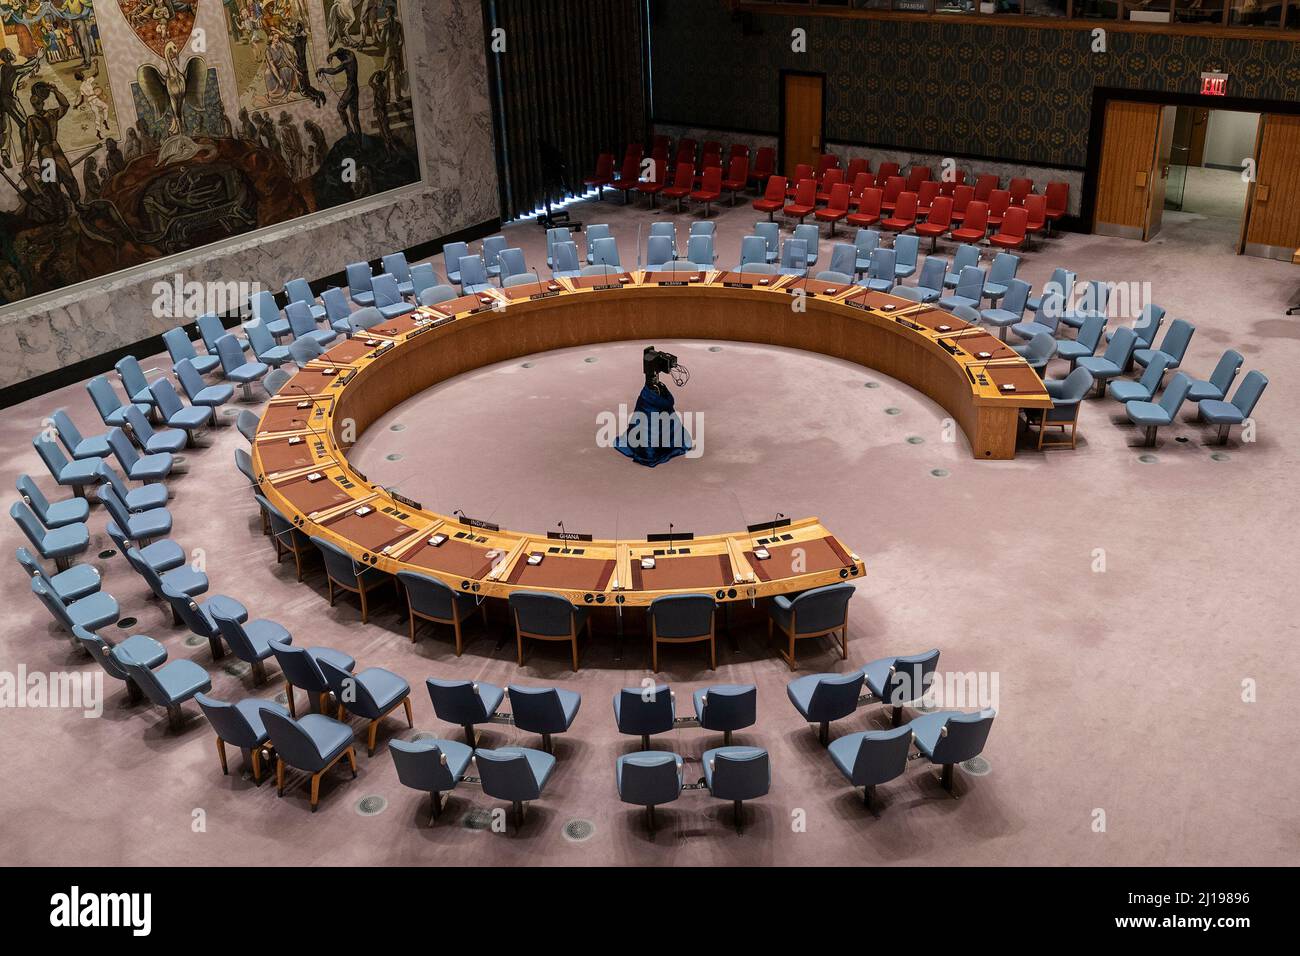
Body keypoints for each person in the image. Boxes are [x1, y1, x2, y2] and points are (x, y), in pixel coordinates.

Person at [23, 80, 80, 204]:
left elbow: (65, 105)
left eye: (38, 103)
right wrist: (26, 163)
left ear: (42, 103)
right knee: (50, 182)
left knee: (68, 176)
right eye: (34, 104)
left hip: (55, 148)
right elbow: (30, 143)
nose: (37, 106)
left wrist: (55, 91)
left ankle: (78, 203)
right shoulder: (31, 120)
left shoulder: (52, 114)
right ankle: (60, 211)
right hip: (44, 152)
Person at [0, 47, 42, 169]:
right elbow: (26, 67)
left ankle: (4, 152)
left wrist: (16, 86)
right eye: (12, 53)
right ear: (9, 57)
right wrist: (37, 58)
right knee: (24, 125)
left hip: (0, 101)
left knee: (5, 129)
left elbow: (4, 83)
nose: (14, 54)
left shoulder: (1, 68)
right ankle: (27, 151)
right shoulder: (13, 69)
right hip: (9, 100)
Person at [316, 48, 359, 140]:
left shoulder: (347, 62)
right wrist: (333, 54)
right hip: (355, 89)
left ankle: (349, 129)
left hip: (351, 89)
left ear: (343, 57)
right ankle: (359, 143)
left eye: (340, 59)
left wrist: (322, 69)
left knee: (340, 108)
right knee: (355, 118)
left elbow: (334, 71)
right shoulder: (351, 54)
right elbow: (342, 51)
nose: (340, 61)